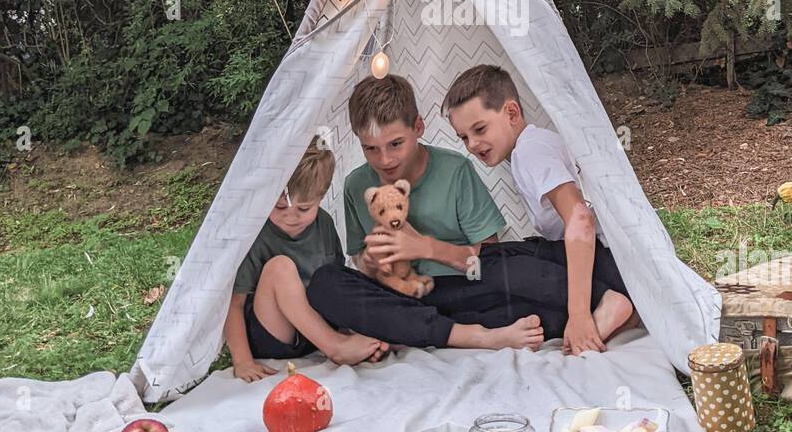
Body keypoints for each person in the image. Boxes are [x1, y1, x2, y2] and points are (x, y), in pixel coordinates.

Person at [305, 74, 585, 349]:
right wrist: (371, 263)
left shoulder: (455, 169)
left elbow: (489, 262)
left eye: (395, 144)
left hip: (462, 289)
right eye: (371, 149)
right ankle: (471, 335)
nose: (385, 160)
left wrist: (425, 247)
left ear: (418, 127)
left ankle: (426, 331)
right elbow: (360, 262)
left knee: (526, 275)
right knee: (325, 283)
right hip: (400, 296)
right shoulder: (356, 185)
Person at [443, 64, 637, 355]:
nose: (472, 144)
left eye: (479, 129)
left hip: (608, 260)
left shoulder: (530, 150)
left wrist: (579, 314)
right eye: (463, 137)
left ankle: (601, 306)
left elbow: (580, 219)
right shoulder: (533, 146)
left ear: (511, 113)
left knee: (493, 260)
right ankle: (614, 313)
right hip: (616, 266)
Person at [223, 138, 389, 382]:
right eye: (279, 207)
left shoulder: (324, 224)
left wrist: (352, 331)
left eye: (303, 209)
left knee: (335, 280)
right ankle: (335, 347)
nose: (291, 217)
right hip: (275, 335)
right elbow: (234, 304)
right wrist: (243, 361)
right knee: (280, 267)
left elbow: (335, 285)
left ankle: (347, 340)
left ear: (321, 197)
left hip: (313, 334)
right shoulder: (256, 234)